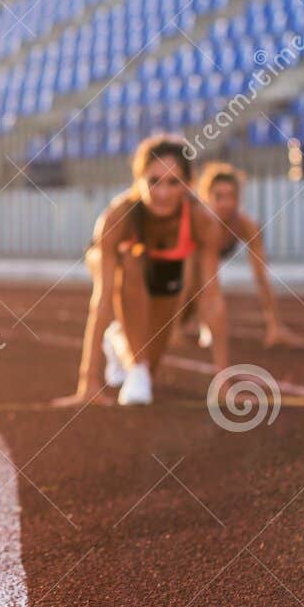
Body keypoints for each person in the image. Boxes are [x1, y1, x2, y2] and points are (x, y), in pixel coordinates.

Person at [52, 134, 231, 407]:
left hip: (162, 265)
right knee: (132, 260)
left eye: (174, 182)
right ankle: (134, 365)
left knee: (151, 361)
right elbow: (101, 302)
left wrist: (223, 382)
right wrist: (88, 381)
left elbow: (212, 299)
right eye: (154, 181)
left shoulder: (202, 220)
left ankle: (121, 345)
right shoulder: (117, 216)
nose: (162, 192)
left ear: (188, 183)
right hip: (114, 261)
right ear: (138, 179)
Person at [178, 163, 299, 350]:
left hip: (206, 263)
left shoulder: (247, 225)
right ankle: (179, 326)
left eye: (231, 196)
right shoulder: (201, 224)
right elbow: (200, 282)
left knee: (201, 287)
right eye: (219, 197)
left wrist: (275, 325)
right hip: (182, 261)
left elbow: (261, 277)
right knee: (191, 286)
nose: (226, 203)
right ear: (206, 197)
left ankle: (275, 328)